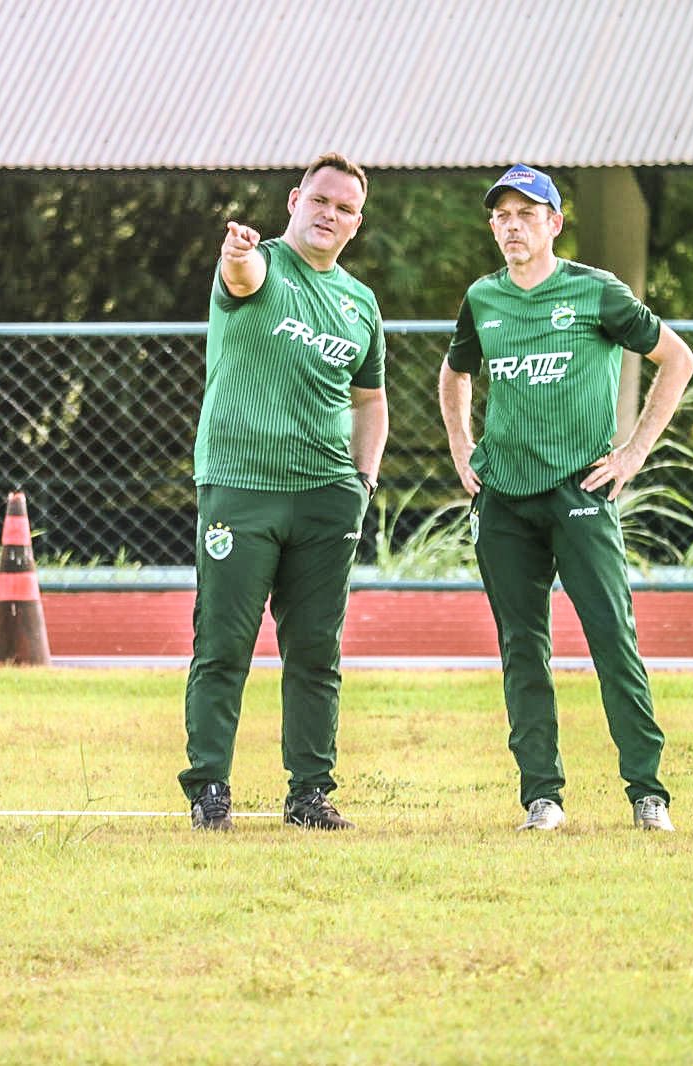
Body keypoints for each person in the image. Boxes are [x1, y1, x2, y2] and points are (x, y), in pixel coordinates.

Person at [438, 164, 693, 832]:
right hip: (503, 500)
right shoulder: (483, 298)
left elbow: (678, 359)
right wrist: (463, 446)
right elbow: (455, 371)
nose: (512, 227)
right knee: (522, 648)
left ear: (554, 223)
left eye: (527, 214)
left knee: (612, 638)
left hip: (580, 492)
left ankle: (648, 794)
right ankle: (542, 798)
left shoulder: (596, 292)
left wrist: (634, 453)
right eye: (502, 216)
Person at [179, 152, 388, 832]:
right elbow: (242, 276)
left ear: (356, 223)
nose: (330, 214)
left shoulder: (360, 304)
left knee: (316, 652)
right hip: (242, 488)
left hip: (328, 496)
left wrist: (362, 480)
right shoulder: (261, 264)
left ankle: (309, 795)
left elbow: (370, 400)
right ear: (296, 201)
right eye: (320, 200)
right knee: (224, 644)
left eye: (345, 208)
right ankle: (210, 788)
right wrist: (235, 254)